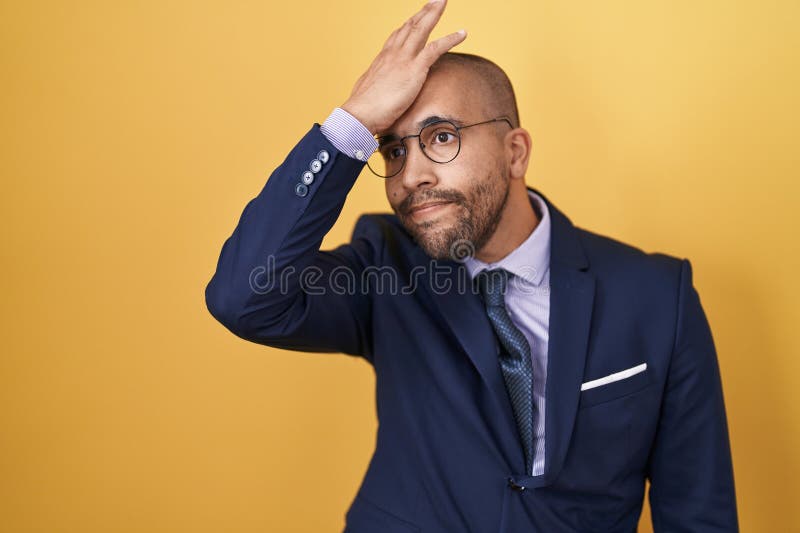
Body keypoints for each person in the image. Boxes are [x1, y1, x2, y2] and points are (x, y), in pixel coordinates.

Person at [204, 0, 738, 530]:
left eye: (442, 137)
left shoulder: (656, 296)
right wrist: (354, 124)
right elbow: (244, 299)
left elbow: (698, 514)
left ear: (516, 153)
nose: (411, 175)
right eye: (392, 152)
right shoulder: (383, 269)